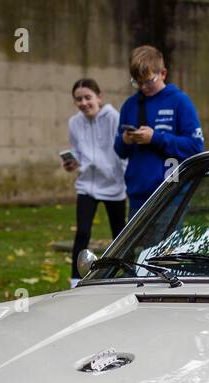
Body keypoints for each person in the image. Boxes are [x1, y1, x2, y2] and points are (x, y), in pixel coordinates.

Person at [113, 45, 203, 212]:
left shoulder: (180, 102)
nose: (144, 87)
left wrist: (155, 138)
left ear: (163, 74)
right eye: (138, 83)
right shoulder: (130, 105)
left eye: (149, 81)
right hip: (137, 194)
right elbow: (119, 151)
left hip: (170, 192)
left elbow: (195, 147)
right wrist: (125, 140)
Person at [63, 78, 126, 286]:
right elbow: (79, 153)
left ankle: (125, 274)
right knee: (82, 232)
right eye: (78, 99)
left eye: (87, 97)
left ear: (99, 97)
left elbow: (122, 151)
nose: (83, 103)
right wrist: (73, 163)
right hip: (87, 186)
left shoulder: (113, 118)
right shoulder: (74, 123)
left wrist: (125, 177)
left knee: (120, 233)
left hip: (113, 185)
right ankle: (75, 278)